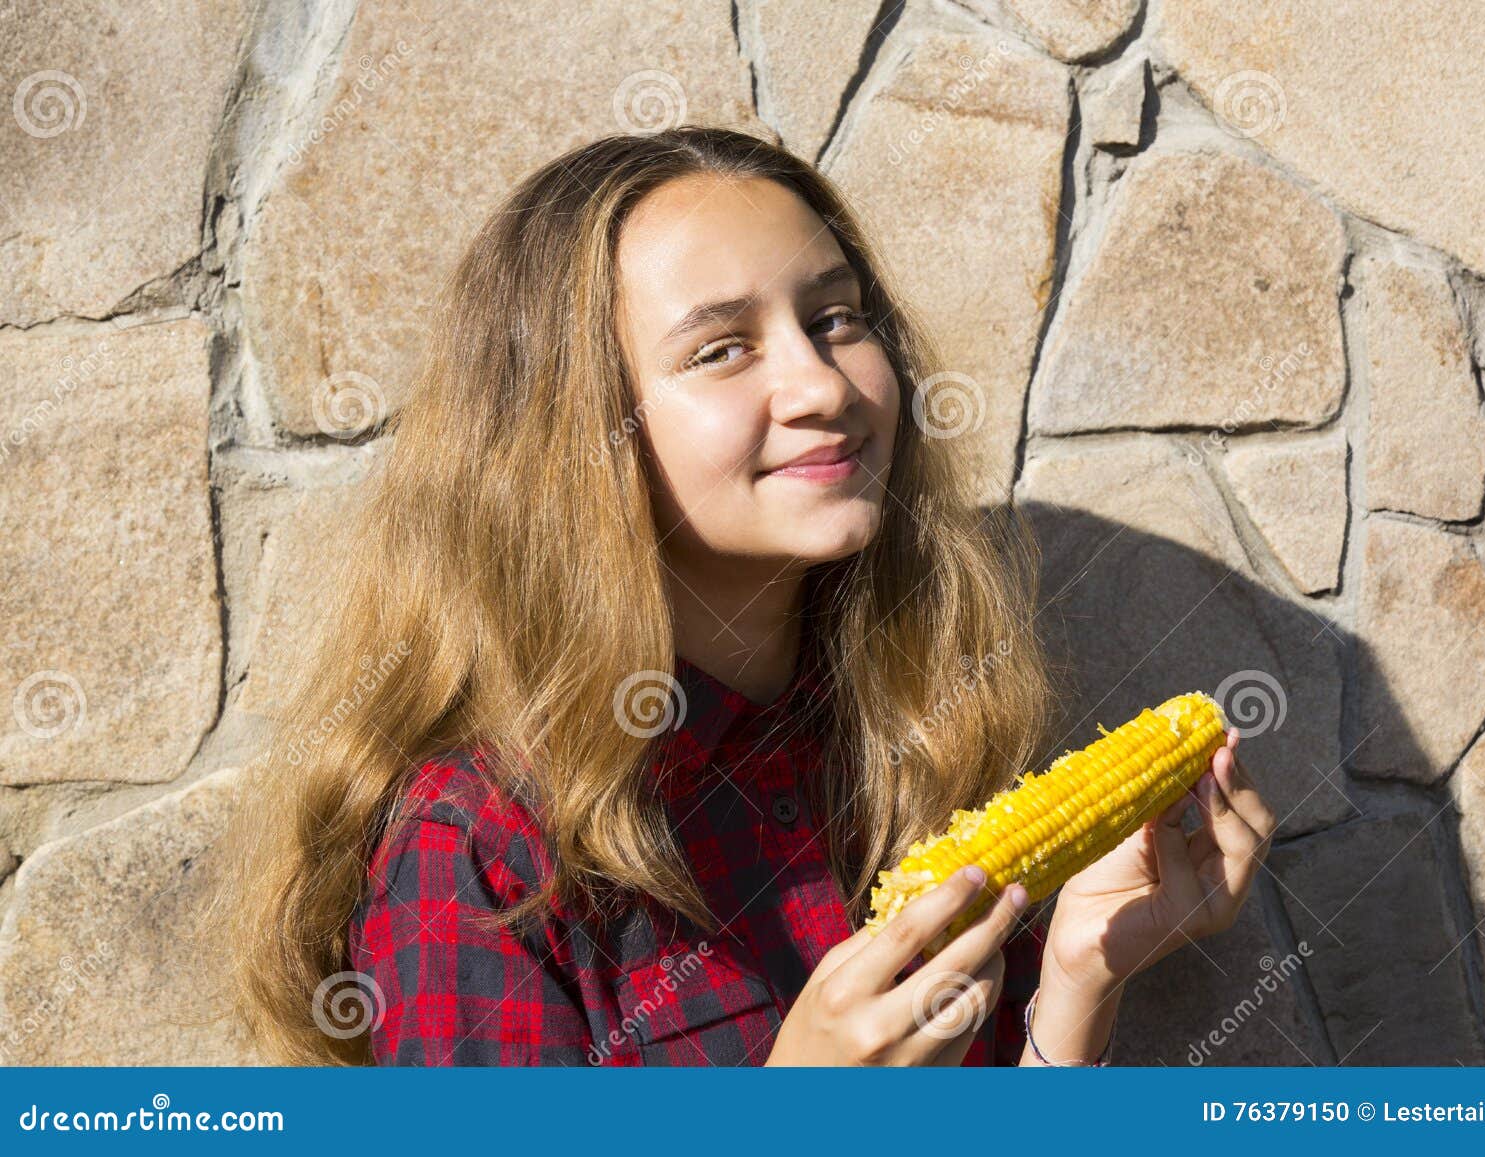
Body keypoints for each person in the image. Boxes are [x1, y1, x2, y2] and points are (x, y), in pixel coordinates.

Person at [227, 126, 1275, 1066]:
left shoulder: (915, 735)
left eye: (835, 318)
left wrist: (1083, 979)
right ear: (576, 434)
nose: (823, 386)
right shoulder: (477, 846)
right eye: (721, 348)